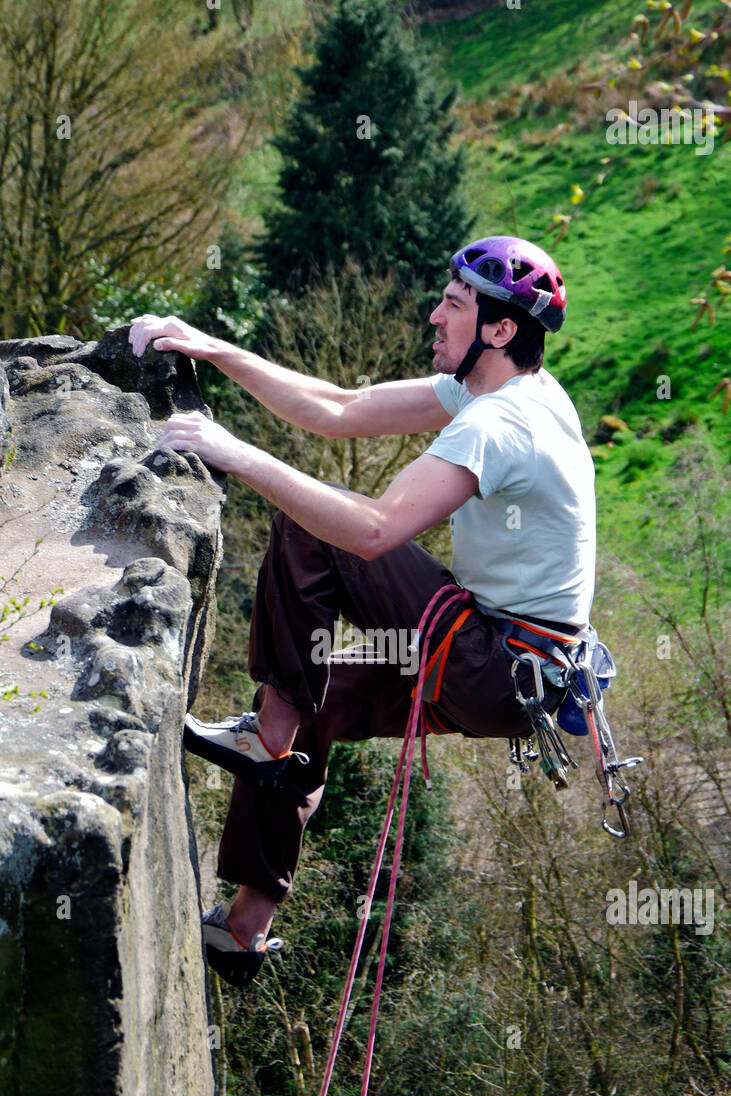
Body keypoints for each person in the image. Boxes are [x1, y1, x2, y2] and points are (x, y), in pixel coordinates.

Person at [128, 235, 596, 986]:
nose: (436, 315)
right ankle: (244, 928)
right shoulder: (508, 392)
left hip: (489, 662)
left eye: (455, 304)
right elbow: (340, 410)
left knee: (313, 522)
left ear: (500, 330)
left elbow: (375, 533)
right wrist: (218, 352)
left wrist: (237, 455)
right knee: (324, 692)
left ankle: (266, 738)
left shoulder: (499, 423)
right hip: (511, 679)